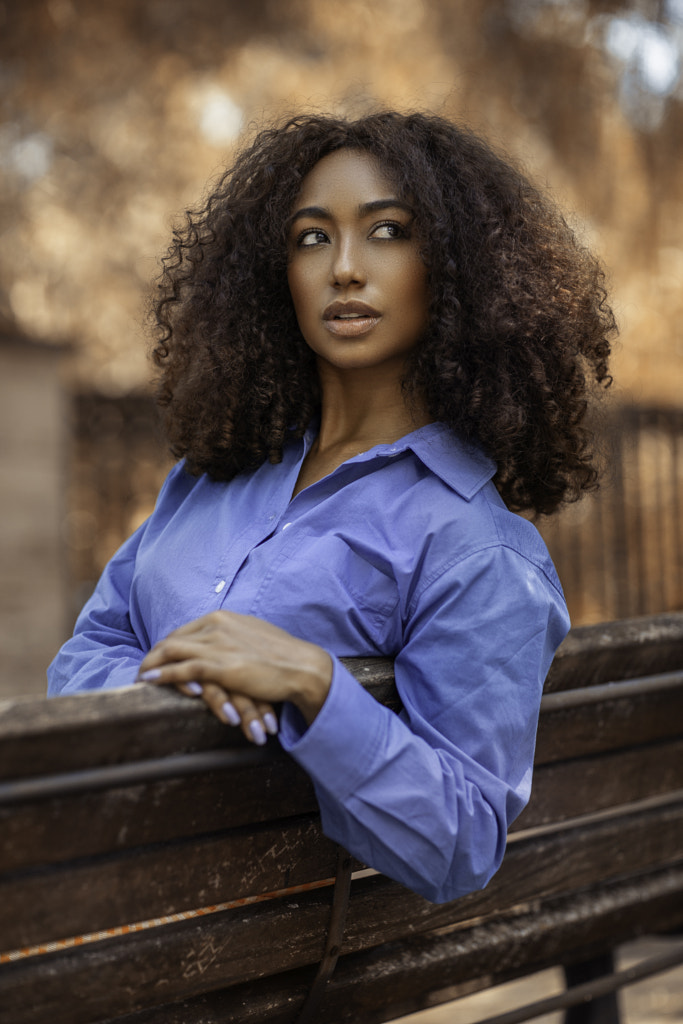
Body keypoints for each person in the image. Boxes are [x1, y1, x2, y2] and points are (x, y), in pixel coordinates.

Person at [48, 111, 615, 904]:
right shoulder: (210, 477)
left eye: (388, 232)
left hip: (243, 951)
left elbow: (461, 843)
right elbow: (91, 646)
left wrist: (315, 687)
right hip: (106, 903)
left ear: (459, 268)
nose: (344, 268)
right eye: (311, 238)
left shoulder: (475, 549)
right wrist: (186, 685)